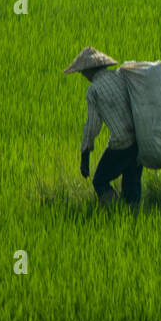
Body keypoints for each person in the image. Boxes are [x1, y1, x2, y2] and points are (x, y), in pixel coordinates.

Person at [63, 46, 141, 208]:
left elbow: (92, 125)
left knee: (99, 181)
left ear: (90, 70)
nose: (84, 76)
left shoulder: (94, 90)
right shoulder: (120, 77)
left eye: (83, 72)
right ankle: (132, 217)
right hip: (140, 140)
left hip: (121, 143)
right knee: (131, 187)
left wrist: (85, 155)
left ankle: (114, 211)